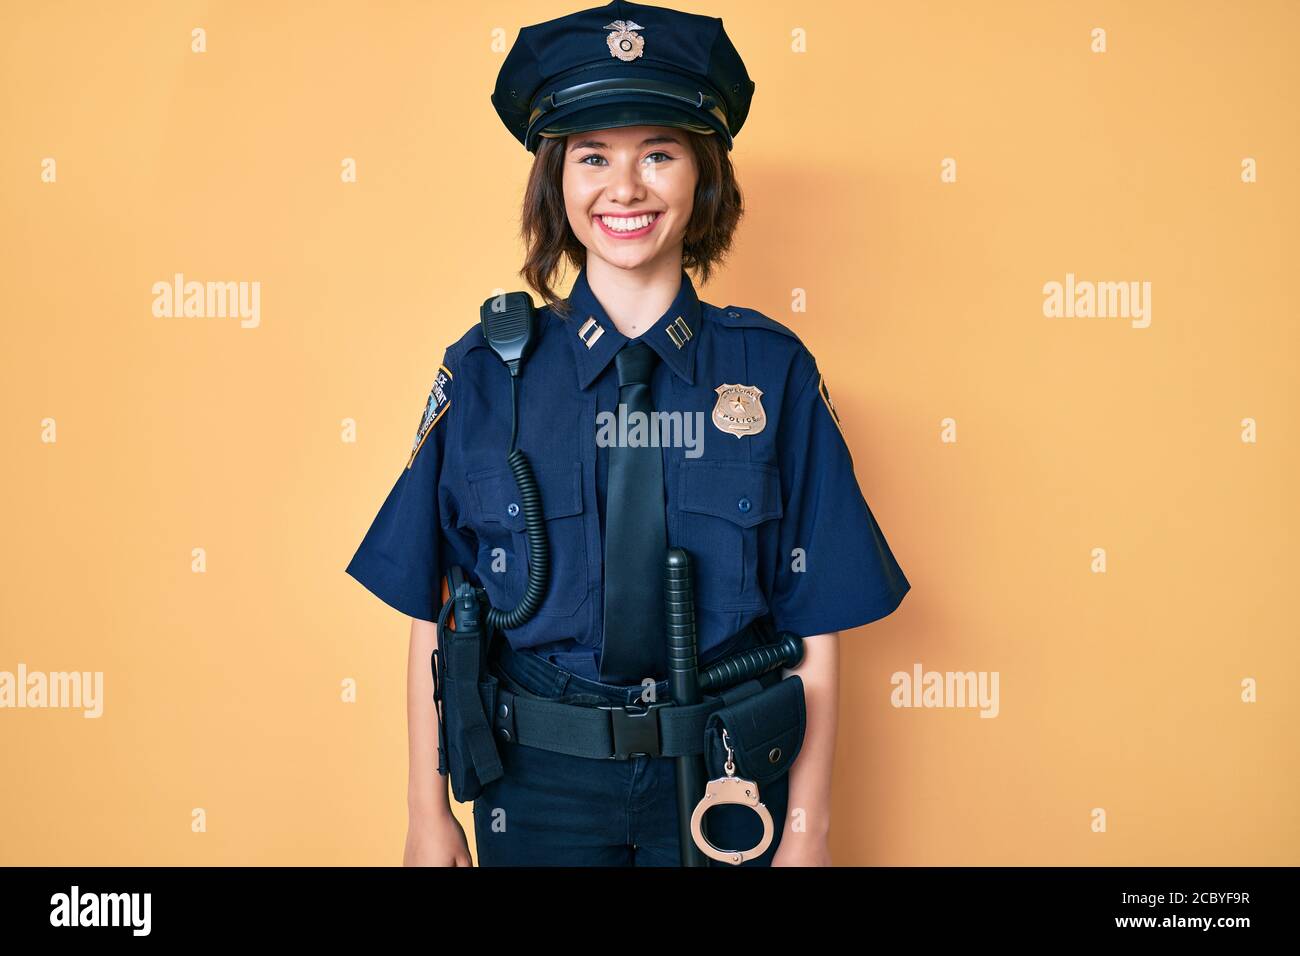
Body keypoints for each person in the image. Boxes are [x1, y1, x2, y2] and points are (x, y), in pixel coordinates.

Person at [345, 0, 910, 867]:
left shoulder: (773, 370)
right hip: (534, 788)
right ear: (556, 182)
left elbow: (818, 622)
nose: (625, 187)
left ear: (703, 175)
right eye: (593, 156)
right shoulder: (489, 371)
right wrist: (428, 815)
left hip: (727, 780)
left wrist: (808, 829)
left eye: (659, 153)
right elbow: (437, 608)